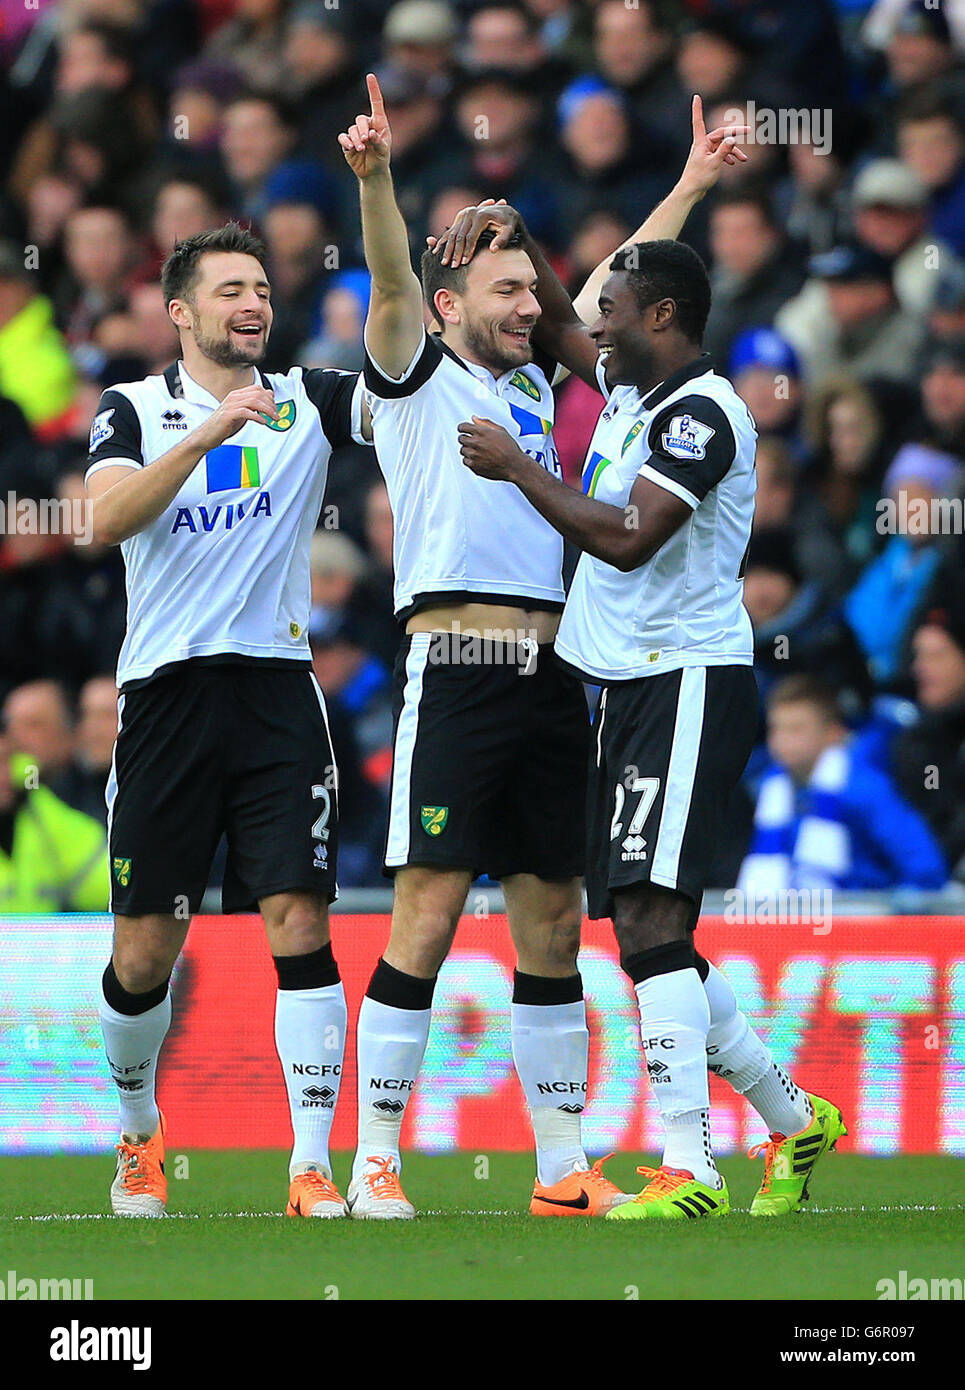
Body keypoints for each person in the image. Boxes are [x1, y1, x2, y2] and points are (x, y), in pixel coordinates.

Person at [338, 77, 746, 1220]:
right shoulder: (414, 372)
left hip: (556, 666)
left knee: (554, 917)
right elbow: (383, 276)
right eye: (504, 288)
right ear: (447, 301)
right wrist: (375, 180)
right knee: (422, 905)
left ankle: (559, 1160)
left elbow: (620, 287)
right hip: (456, 658)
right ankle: (374, 1156)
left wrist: (690, 183)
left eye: (533, 288)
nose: (530, 306)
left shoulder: (540, 378)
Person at [456, 207, 847, 1219]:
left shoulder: (697, 415)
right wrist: (516, 242)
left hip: (684, 681)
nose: (593, 325)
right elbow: (550, 325)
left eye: (613, 310)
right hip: (628, 687)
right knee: (640, 924)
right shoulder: (633, 396)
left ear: (661, 314)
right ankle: (792, 1117)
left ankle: (690, 1167)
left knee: (649, 920)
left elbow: (628, 537)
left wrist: (516, 466)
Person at [84, 221, 372, 1220]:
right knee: (144, 953)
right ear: (179, 313)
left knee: (298, 915)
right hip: (164, 699)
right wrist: (211, 432)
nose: (251, 302)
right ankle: (138, 1134)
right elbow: (105, 519)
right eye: (228, 289)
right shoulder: (132, 407)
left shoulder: (307, 399)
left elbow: (403, 385)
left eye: (260, 287)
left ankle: (308, 1163)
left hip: (274, 693)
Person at [739, 676, 947, 893]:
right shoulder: (771, 789)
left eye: (796, 729)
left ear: (834, 733)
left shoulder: (864, 787)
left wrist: (890, 914)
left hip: (861, 920)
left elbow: (925, 868)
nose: (782, 740)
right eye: (776, 728)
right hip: (792, 921)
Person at [0, 723, 110, 913]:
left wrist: (32, 793)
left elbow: (105, 883)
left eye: (4, 761)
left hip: (41, 940)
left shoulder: (41, 812)